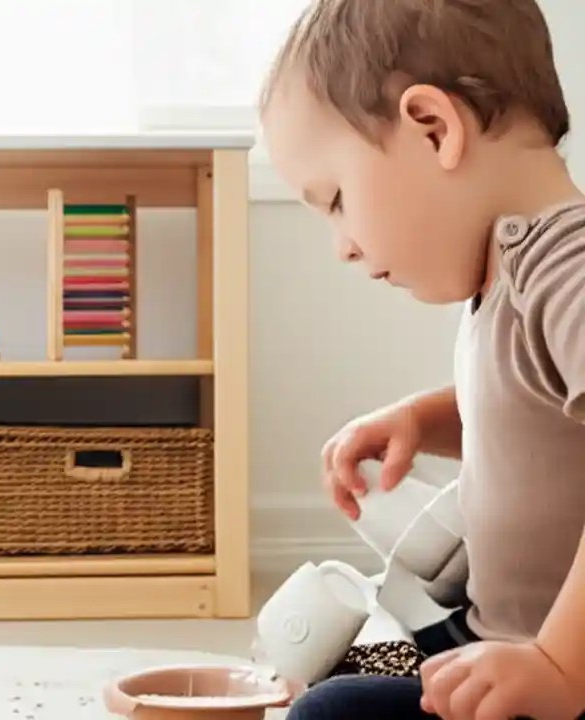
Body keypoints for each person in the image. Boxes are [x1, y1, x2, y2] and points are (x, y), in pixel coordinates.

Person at [258, 1, 585, 718]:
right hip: (501, 640)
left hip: (557, 671)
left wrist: (561, 665)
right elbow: (544, 418)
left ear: (434, 128)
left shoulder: (568, 265)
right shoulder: (508, 274)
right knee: (329, 664)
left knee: (332, 712)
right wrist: (424, 419)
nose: (341, 245)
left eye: (337, 200)